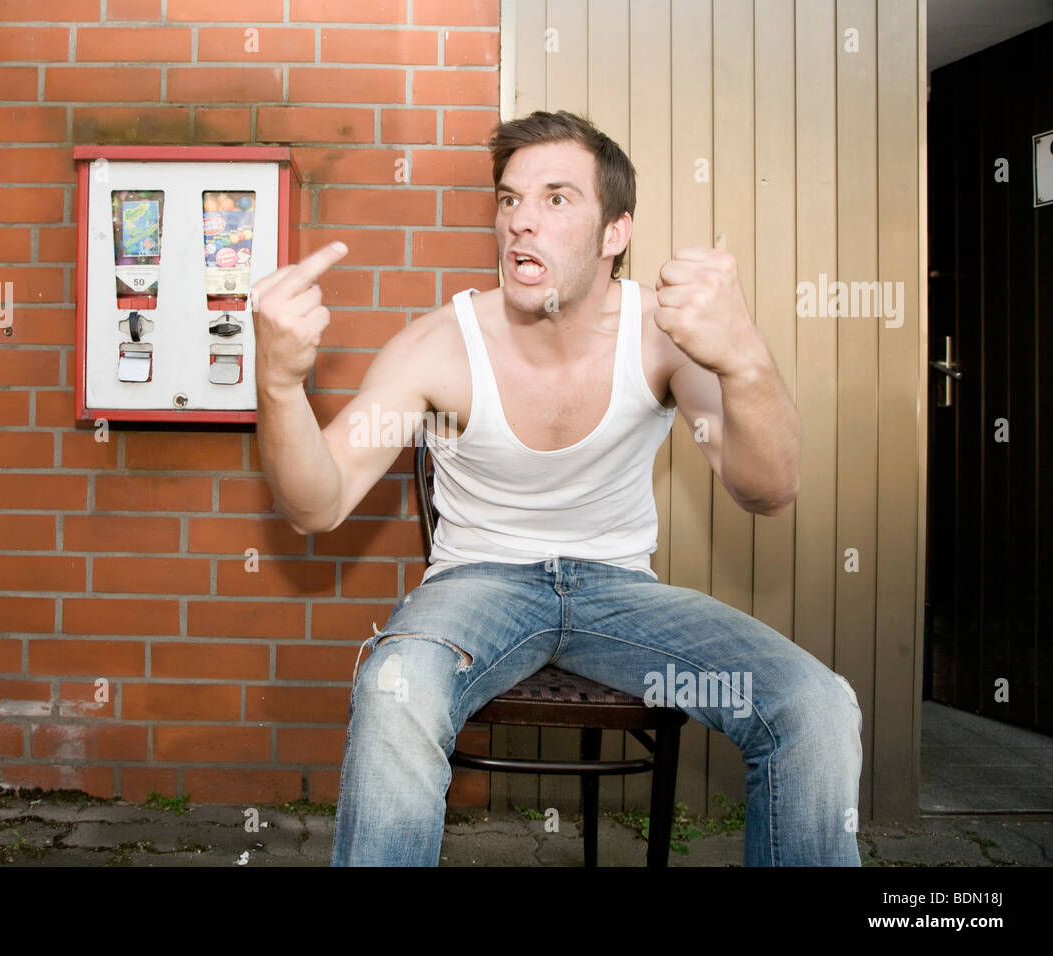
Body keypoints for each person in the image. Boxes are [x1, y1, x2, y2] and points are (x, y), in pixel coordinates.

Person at [252, 110, 862, 867]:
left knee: (816, 705)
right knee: (396, 688)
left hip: (621, 597)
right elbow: (319, 503)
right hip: (480, 585)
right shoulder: (441, 344)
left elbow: (768, 490)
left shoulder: (661, 337)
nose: (520, 223)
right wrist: (278, 386)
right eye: (508, 200)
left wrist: (745, 362)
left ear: (616, 233)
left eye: (556, 199)